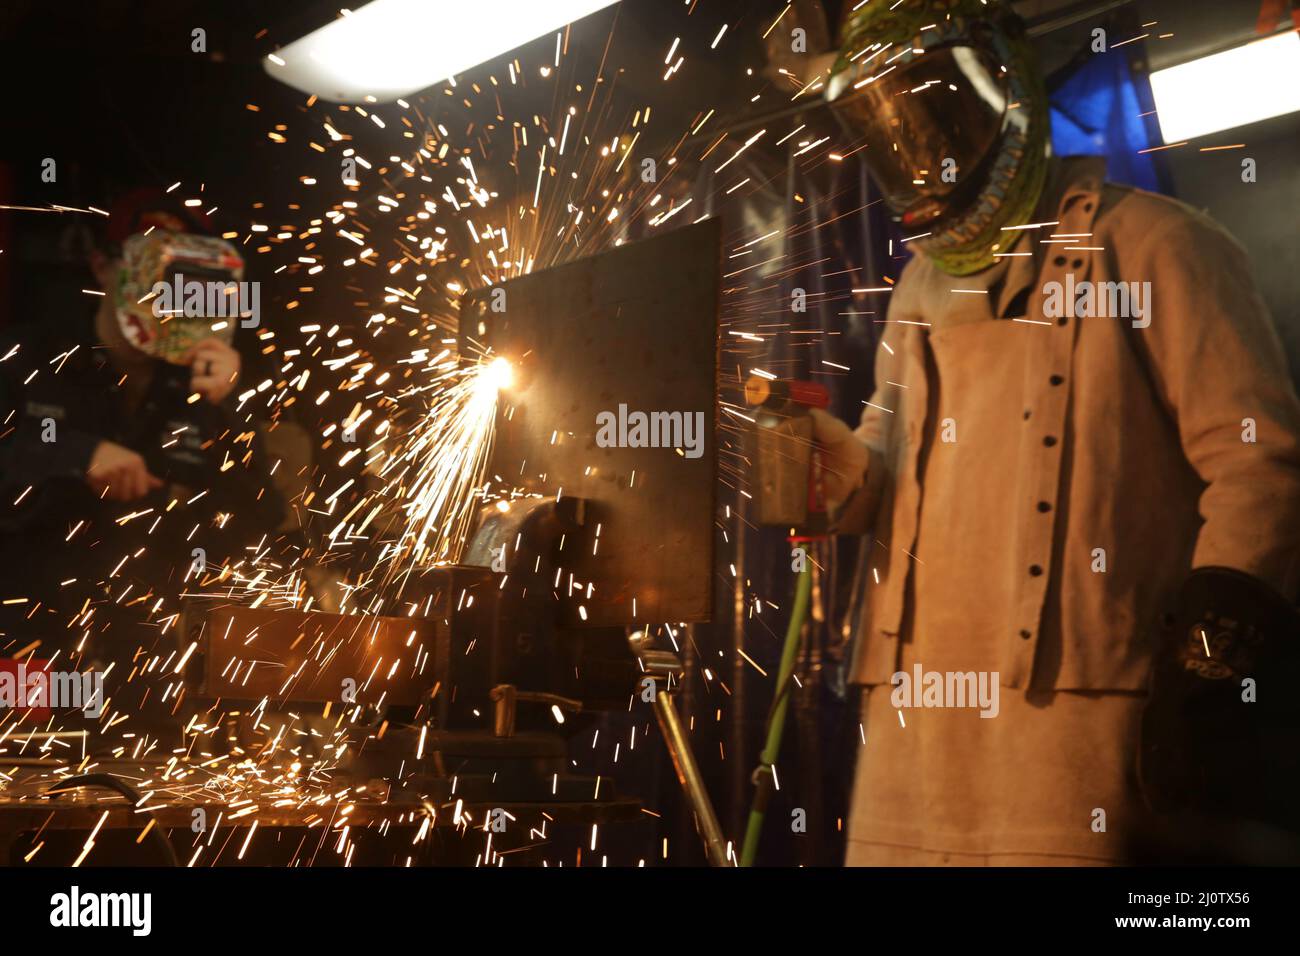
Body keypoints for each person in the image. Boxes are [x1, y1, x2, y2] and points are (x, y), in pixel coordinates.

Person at [813, 0, 1300, 864]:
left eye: (934, 117)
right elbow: (881, 471)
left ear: (999, 86)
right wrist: (815, 460)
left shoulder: (1157, 246)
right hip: (913, 733)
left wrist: (1208, 665)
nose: (922, 157)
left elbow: (1259, 464)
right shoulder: (917, 294)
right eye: (891, 130)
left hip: (1078, 728)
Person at [0, 191, 284, 719]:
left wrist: (228, 414)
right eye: (161, 282)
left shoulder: (205, 398)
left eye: (193, 288)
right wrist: (73, 454)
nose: (174, 302)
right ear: (105, 267)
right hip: (26, 664)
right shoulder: (22, 361)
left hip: (149, 680)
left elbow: (265, 524)